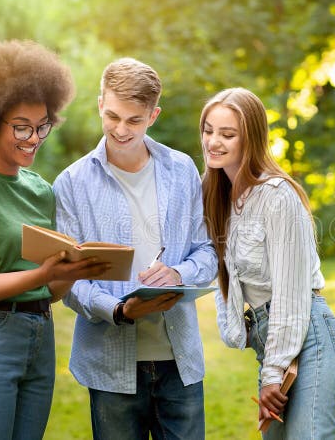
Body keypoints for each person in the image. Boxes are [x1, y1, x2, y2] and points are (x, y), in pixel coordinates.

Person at [0, 40, 110, 440]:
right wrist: (41, 276)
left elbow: (48, 290)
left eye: (42, 126)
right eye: (21, 127)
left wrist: (72, 271)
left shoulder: (41, 190)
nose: (34, 138)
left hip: (38, 338)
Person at [52, 57, 217, 440]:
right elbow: (67, 280)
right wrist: (119, 310)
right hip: (109, 364)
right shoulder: (71, 183)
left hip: (180, 361)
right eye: (112, 116)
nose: (120, 130)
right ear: (99, 104)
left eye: (134, 120)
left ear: (153, 115)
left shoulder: (182, 170)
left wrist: (178, 274)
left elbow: (207, 251)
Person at [200, 87, 335, 439]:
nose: (213, 142)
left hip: (310, 338)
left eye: (227, 133)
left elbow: (292, 293)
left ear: (250, 138)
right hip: (270, 345)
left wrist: (273, 373)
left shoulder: (278, 196)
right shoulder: (219, 199)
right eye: (208, 130)